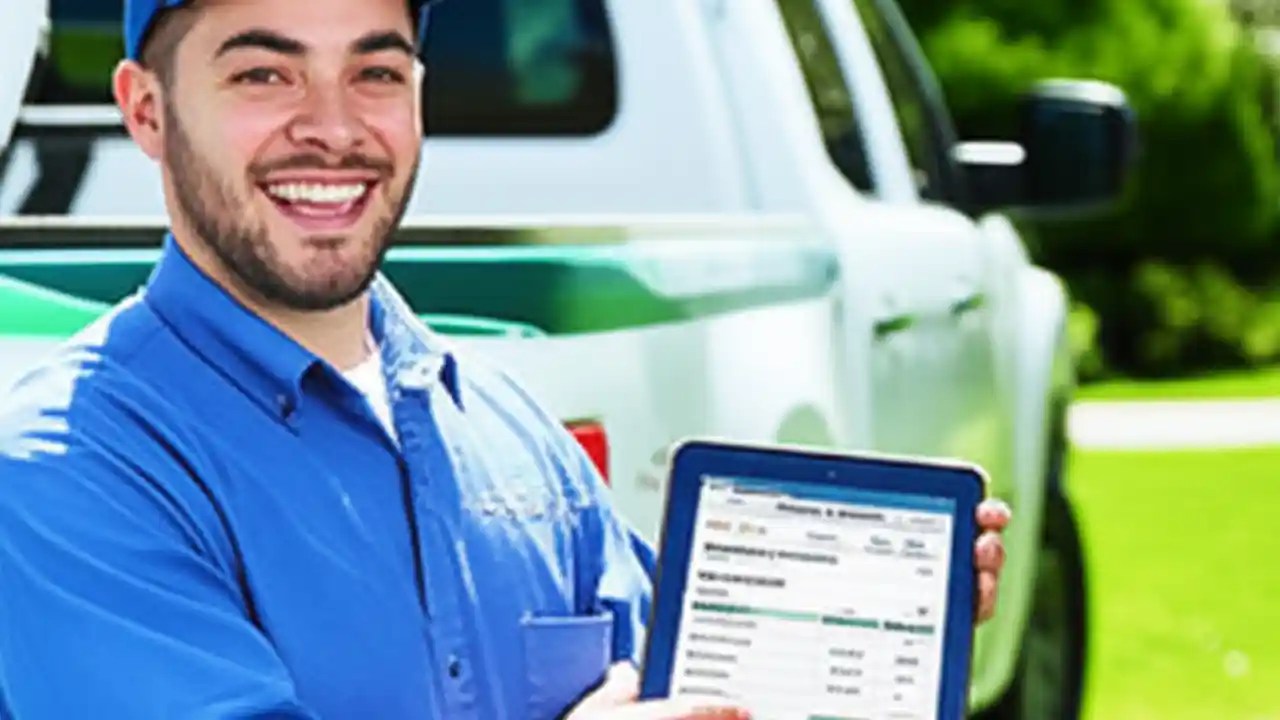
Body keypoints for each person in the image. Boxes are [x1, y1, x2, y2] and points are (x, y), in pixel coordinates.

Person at [0, 0, 1012, 718]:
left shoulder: (506, 432)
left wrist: (857, 630)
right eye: (263, 73)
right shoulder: (64, 467)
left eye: (376, 71)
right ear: (146, 111)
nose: (335, 127)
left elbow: (678, 682)